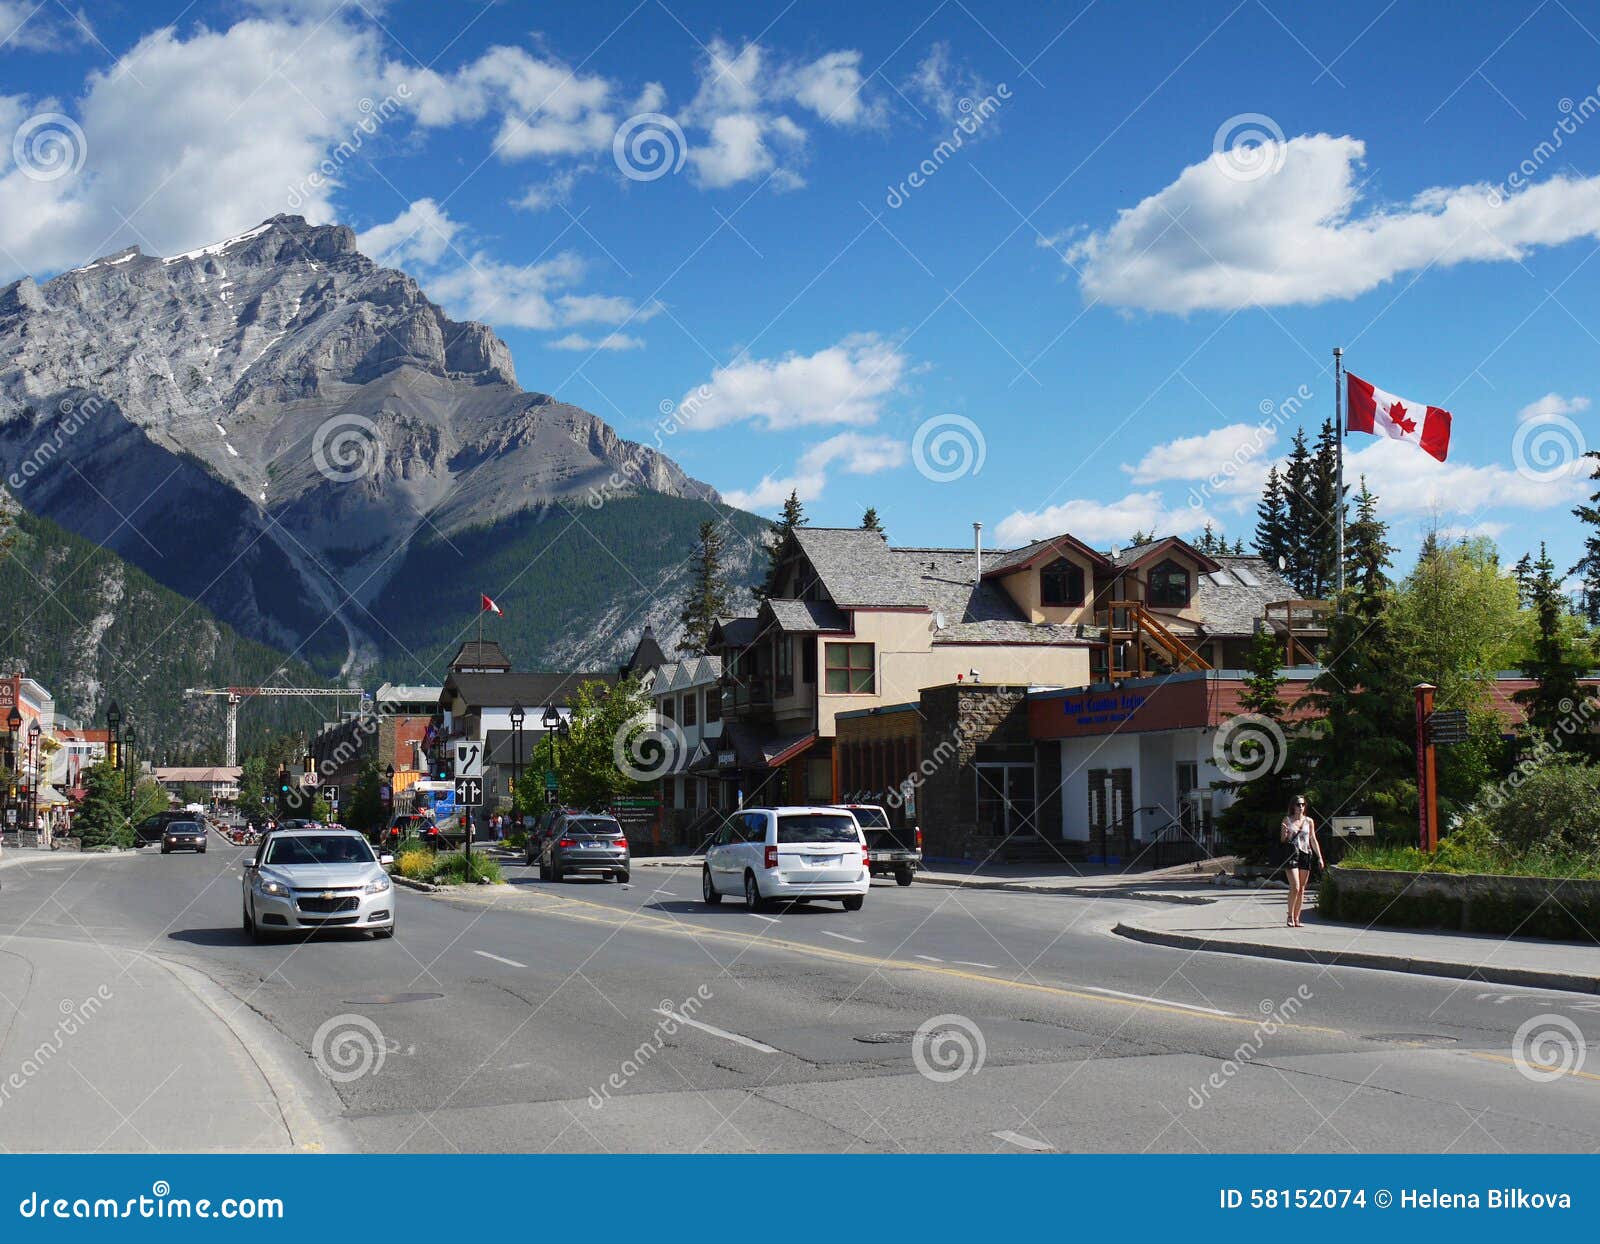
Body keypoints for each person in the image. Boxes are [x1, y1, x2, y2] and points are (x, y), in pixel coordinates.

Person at [1279, 795, 1323, 928]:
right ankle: (1290, 916)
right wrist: (1285, 833)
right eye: (1298, 804)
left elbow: (1313, 839)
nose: (1301, 807)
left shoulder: (1309, 821)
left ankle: (1297, 918)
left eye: (1303, 804)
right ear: (1293, 806)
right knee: (1295, 887)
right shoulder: (1287, 820)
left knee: (1302, 889)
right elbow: (1283, 840)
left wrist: (1319, 857)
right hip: (1292, 855)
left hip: (1305, 854)